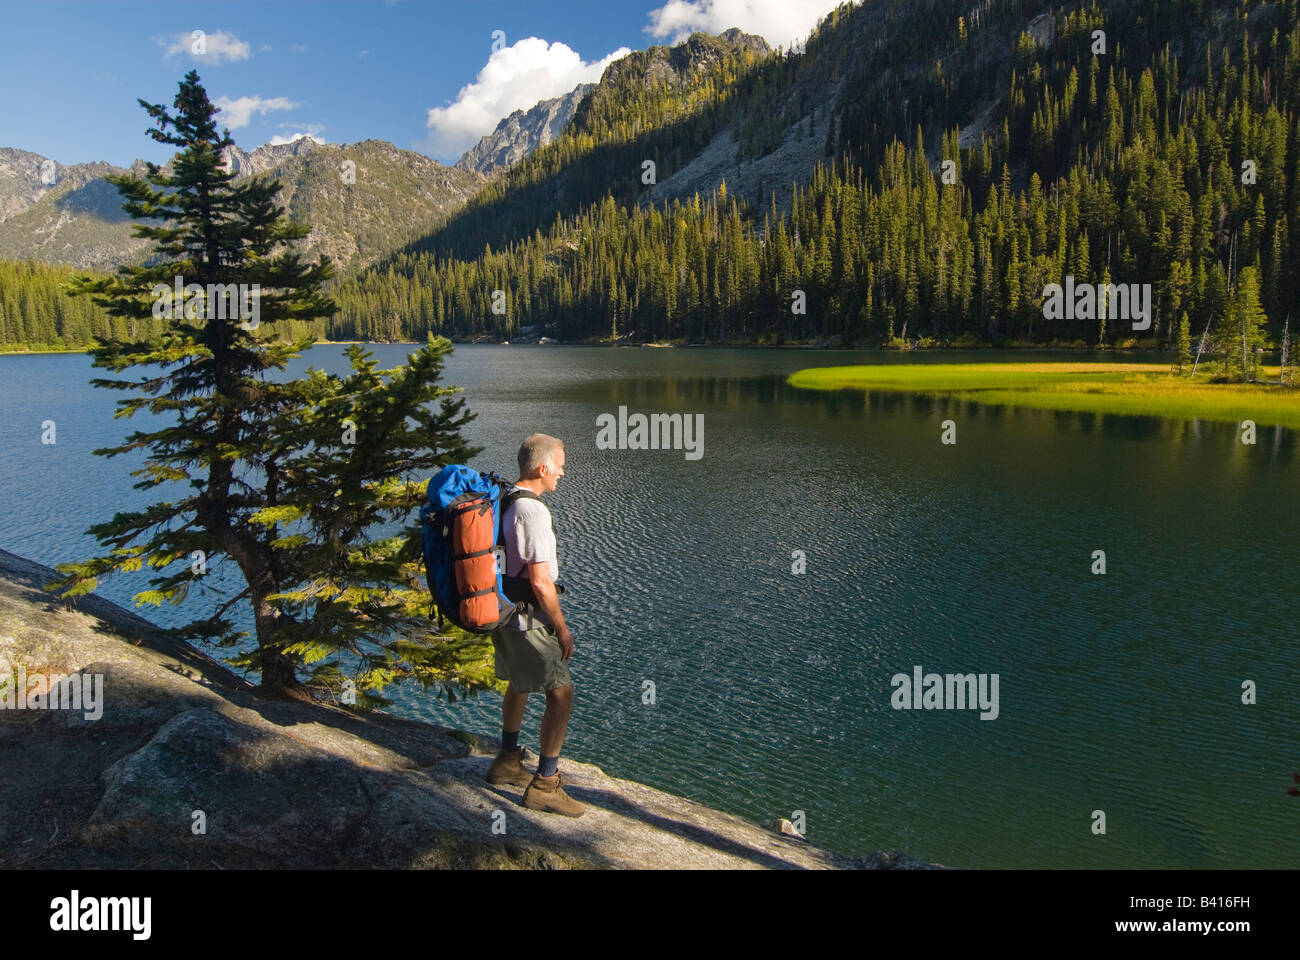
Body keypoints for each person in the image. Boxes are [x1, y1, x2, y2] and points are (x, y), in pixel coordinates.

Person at [483, 433, 585, 817]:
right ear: (542, 468)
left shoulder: (509, 498)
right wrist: (561, 627)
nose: (563, 471)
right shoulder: (535, 512)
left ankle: (507, 761)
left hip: (504, 610)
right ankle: (545, 783)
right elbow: (541, 581)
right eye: (559, 464)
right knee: (561, 694)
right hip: (526, 617)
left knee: (520, 682)